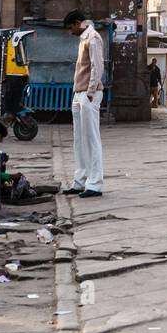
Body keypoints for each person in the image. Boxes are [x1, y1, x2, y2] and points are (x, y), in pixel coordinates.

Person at [62, 10, 104, 198]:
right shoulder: (83, 38)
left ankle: (94, 184)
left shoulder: (93, 38)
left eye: (71, 27)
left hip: (89, 94)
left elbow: (97, 67)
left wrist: (89, 92)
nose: (70, 32)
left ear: (78, 23)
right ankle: (80, 181)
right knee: (79, 140)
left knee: (91, 139)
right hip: (79, 94)